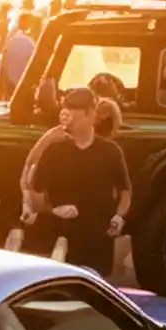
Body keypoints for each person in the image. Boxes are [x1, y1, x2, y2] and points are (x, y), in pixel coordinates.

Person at [29, 88, 131, 277]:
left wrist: (119, 216)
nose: (69, 119)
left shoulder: (111, 152)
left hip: (98, 244)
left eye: (75, 113)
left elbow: (125, 192)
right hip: (60, 245)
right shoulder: (54, 151)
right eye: (67, 112)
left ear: (91, 114)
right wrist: (53, 210)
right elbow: (34, 195)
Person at [0, 13, 36, 98]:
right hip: (25, 83)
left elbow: (4, 60)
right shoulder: (28, 40)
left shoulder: (12, 37)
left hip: (13, 81)